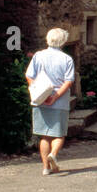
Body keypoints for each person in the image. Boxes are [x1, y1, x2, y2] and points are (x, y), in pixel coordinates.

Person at [25, 28, 75, 175]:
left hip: (40, 100)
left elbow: (29, 76)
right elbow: (68, 81)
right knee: (59, 134)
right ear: (63, 41)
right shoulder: (67, 59)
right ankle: (53, 154)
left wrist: (39, 91)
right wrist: (55, 96)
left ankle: (46, 168)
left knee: (44, 136)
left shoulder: (38, 56)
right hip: (59, 102)